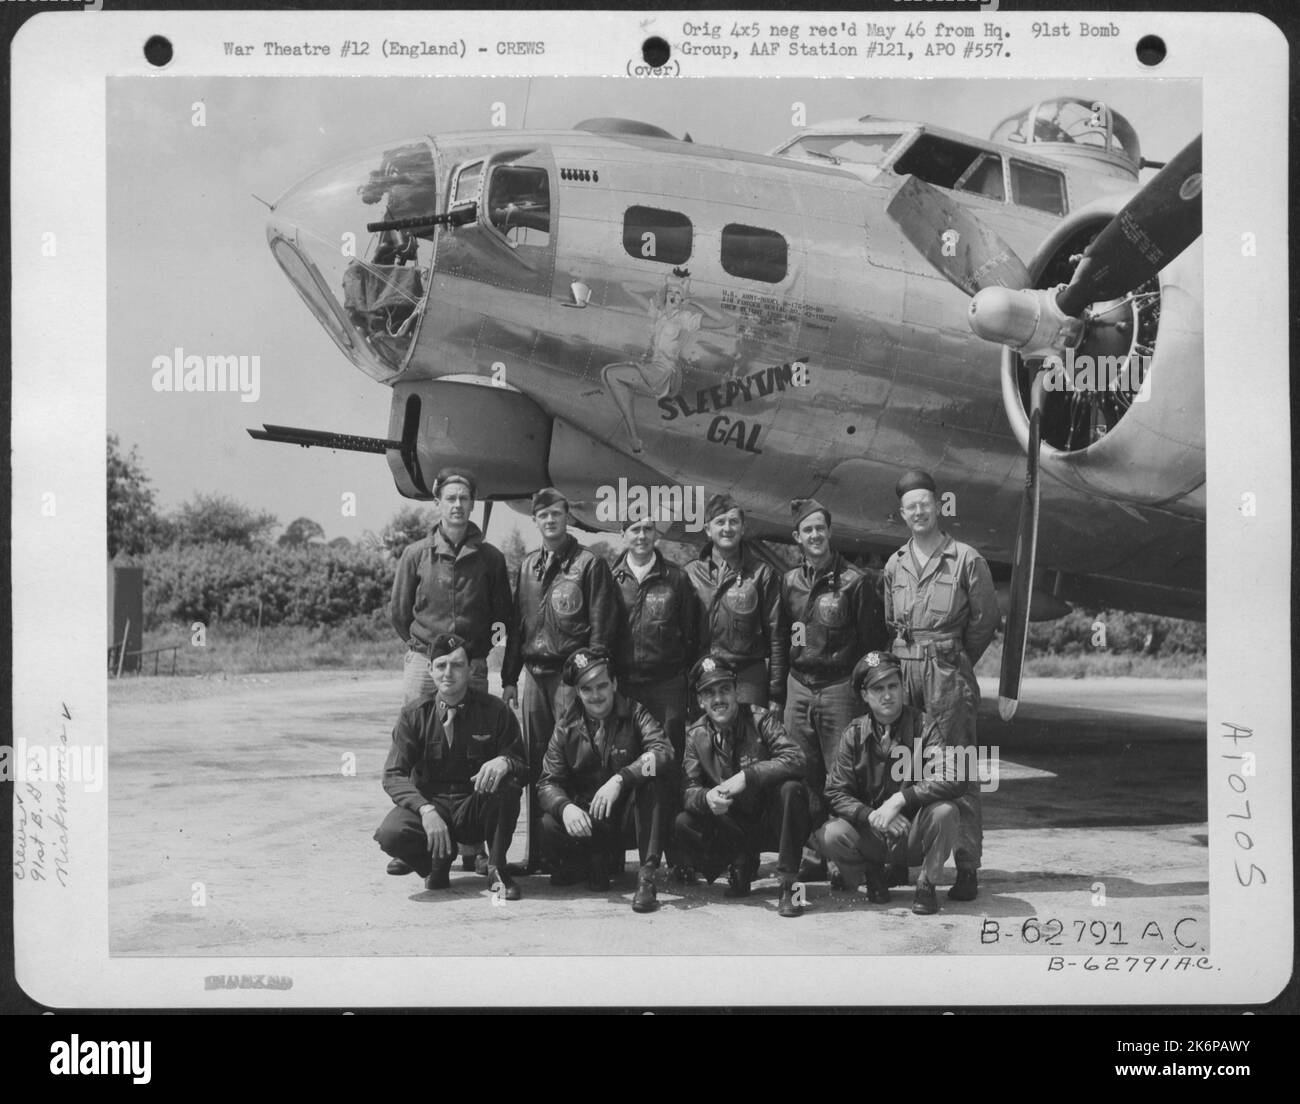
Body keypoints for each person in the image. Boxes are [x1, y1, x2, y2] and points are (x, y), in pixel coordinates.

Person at [388, 467, 513, 876]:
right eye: (450, 498)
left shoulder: (491, 558)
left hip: (472, 662)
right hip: (424, 661)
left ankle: (473, 847)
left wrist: (480, 656)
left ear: (472, 503)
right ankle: (417, 841)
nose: (457, 505)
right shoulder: (415, 554)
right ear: (438, 503)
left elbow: (501, 618)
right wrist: (426, 652)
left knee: (472, 746)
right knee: (422, 744)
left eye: (464, 498)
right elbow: (399, 613)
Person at [882, 469, 998, 902]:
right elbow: (889, 620)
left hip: (947, 673)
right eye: (910, 506)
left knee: (959, 766)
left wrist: (954, 658)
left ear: (939, 506)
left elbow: (985, 621)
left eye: (924, 504)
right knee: (904, 761)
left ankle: (967, 865)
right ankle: (900, 857)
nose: (918, 511)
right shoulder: (894, 564)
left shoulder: (966, 558)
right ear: (902, 513)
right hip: (904, 668)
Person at [501, 487, 619, 872]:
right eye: (543, 515)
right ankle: (538, 854)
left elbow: (601, 629)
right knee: (538, 765)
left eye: (556, 513)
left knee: (576, 761)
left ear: (568, 516)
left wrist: (594, 679)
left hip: (572, 677)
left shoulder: (589, 564)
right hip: (534, 676)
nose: (550, 520)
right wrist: (508, 678)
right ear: (534, 521)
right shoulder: (526, 565)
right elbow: (517, 630)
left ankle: (586, 855)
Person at [780, 497, 889, 882]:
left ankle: (844, 859)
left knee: (841, 774)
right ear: (797, 536)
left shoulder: (855, 582)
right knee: (802, 771)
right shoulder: (789, 582)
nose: (814, 535)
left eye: (820, 529)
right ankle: (812, 853)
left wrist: (861, 692)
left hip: (839, 684)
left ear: (829, 533)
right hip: (799, 685)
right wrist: (782, 690)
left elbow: (872, 644)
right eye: (807, 530)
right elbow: (782, 641)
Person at [373, 633, 525, 900]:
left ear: (469, 669)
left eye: (456, 665)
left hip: (474, 807)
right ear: (430, 670)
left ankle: (497, 868)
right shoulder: (414, 715)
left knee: (509, 785)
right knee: (390, 833)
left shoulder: (495, 711)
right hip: (434, 807)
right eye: (441, 665)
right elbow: (393, 775)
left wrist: (506, 761)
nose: (448, 673)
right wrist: (425, 809)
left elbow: (524, 765)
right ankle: (435, 861)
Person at [816, 651, 967, 914]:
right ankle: (870, 874)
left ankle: (926, 884)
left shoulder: (924, 726)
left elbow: (954, 774)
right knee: (829, 834)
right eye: (878, 688)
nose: (887, 695)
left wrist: (901, 799)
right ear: (865, 695)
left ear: (902, 688)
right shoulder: (853, 734)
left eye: (893, 686)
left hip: (911, 834)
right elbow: (835, 791)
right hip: (872, 832)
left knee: (946, 811)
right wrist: (871, 815)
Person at [537, 647, 673, 913]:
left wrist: (622, 779)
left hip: (626, 817)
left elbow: (663, 752)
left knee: (655, 784)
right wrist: (565, 808)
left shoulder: (635, 713)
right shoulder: (565, 727)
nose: (596, 695)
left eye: (602, 686)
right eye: (587, 689)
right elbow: (547, 783)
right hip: (589, 819)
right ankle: (593, 864)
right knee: (548, 823)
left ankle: (646, 878)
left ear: (614, 684)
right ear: (577, 692)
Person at [674, 655, 809, 918]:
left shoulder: (761, 720)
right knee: (683, 822)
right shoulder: (696, 735)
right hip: (732, 824)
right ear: (701, 701)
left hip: (768, 819)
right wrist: (707, 797)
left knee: (792, 790)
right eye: (709, 693)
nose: (718, 699)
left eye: (725, 690)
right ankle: (740, 862)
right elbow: (688, 788)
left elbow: (797, 758)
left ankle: (789, 884)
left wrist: (748, 776)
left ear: (737, 691)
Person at [609, 509, 700, 880]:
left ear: (657, 534)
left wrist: (684, 682)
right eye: (635, 529)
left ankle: (675, 855)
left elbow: (693, 635)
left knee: (670, 766)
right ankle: (616, 853)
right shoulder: (610, 578)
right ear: (623, 533)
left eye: (649, 529)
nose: (642, 535)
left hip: (667, 686)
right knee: (623, 763)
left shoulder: (676, 579)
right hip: (627, 686)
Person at [684, 493, 787, 714]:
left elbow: (777, 634)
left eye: (733, 522)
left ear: (743, 528)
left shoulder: (762, 574)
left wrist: (776, 691)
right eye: (720, 522)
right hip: (706, 674)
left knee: (752, 742)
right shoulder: (691, 574)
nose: (727, 528)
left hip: (748, 677)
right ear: (707, 529)